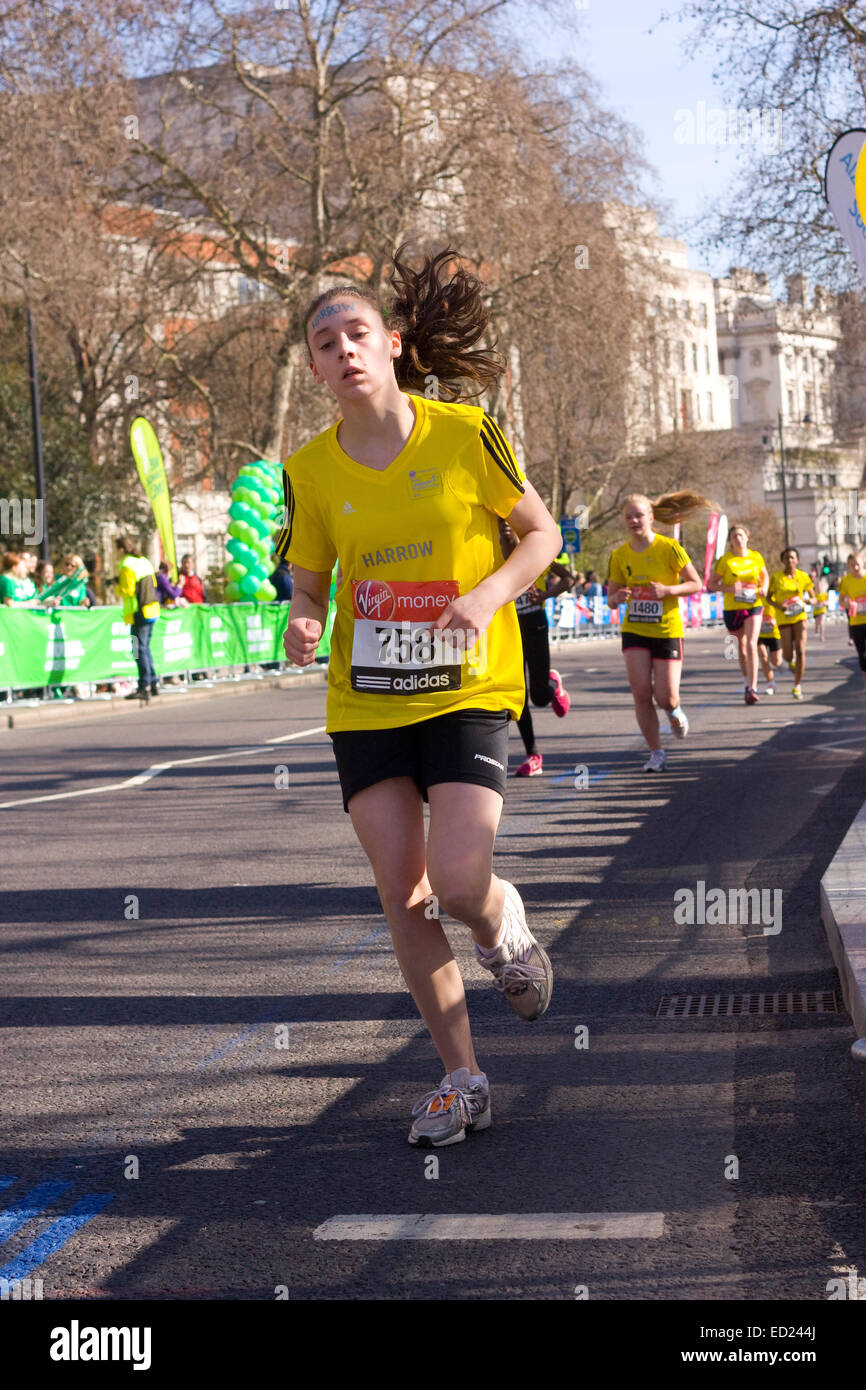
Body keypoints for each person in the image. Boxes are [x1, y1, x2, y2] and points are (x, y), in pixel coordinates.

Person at [277, 246, 562, 1149]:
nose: (344, 350)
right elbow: (311, 579)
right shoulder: (310, 470)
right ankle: (462, 1078)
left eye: (357, 332)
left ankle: (499, 923)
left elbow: (541, 534)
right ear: (316, 368)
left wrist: (485, 597)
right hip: (366, 700)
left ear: (393, 344)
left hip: (469, 689)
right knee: (403, 896)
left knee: (461, 880)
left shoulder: (462, 432)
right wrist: (303, 617)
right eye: (326, 343)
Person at [605, 492, 707, 771]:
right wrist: (618, 598)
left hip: (666, 629)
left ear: (651, 517)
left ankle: (674, 711)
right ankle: (656, 753)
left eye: (639, 515)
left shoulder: (669, 548)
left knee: (666, 696)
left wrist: (668, 590)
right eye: (628, 517)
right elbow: (610, 598)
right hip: (635, 629)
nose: (634, 521)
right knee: (641, 693)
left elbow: (696, 583)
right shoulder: (619, 555)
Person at [499, 517, 573, 776]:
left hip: (534, 623)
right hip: (508, 628)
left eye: (508, 519)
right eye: (499, 520)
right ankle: (534, 756)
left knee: (539, 695)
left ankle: (553, 685)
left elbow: (567, 580)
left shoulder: (533, 550)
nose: (505, 524)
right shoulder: (491, 551)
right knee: (518, 696)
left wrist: (544, 595)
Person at [707, 523, 769, 705]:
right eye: (734, 536)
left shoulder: (756, 557)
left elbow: (765, 576)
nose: (738, 539)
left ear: (747, 537)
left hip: (753, 605)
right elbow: (711, 584)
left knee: (751, 644)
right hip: (732, 608)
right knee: (740, 650)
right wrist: (729, 588)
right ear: (730, 541)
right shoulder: (725, 560)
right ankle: (746, 682)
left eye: (741, 535)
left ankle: (753, 687)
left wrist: (764, 589)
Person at [766, 547, 816, 700]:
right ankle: (791, 660)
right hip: (784, 618)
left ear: (797, 560)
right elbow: (768, 598)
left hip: (799, 616)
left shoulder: (803, 577)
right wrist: (779, 606)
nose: (790, 560)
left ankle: (797, 686)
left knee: (801, 650)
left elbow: (814, 597)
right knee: (787, 655)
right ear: (782, 561)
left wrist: (808, 600)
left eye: (792, 558)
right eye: (787, 558)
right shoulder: (776, 578)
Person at [115, 535, 160, 701]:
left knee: (138, 649)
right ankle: (153, 683)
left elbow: (127, 590)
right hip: (151, 609)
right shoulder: (144, 561)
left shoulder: (126, 564)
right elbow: (153, 583)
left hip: (138, 612)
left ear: (120, 549)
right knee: (145, 648)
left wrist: (116, 587)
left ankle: (144, 686)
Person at [837, 551, 866, 690]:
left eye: (857, 564)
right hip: (856, 621)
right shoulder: (846, 581)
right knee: (862, 654)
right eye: (852, 565)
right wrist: (849, 604)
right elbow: (841, 601)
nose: (855, 568)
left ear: (863, 563)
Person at [757, 597, 783, 694]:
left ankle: (782, 661)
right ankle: (771, 684)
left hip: (774, 633)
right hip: (759, 634)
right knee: (763, 657)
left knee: (776, 662)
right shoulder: (755, 596)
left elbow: (783, 609)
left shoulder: (774, 595)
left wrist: (776, 620)